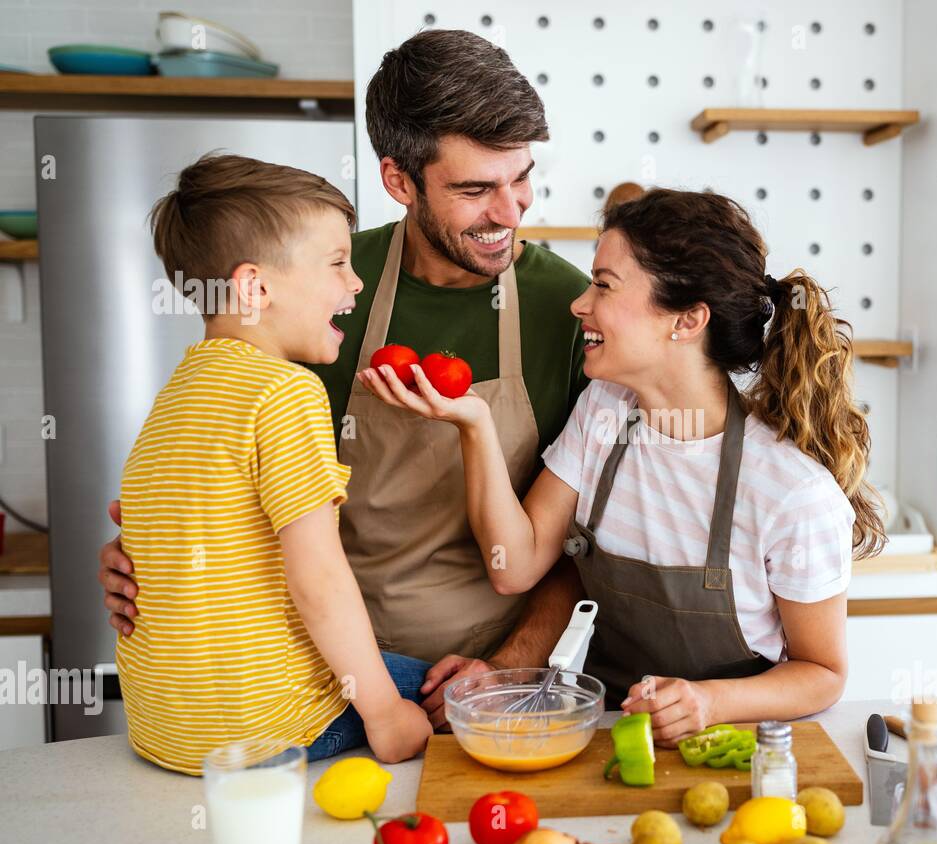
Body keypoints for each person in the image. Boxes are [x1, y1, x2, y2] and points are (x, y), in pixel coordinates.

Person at [97, 29, 592, 728]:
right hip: (308, 679)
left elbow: (592, 548)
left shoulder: (566, 310)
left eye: (522, 178)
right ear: (398, 180)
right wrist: (151, 554)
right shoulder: (317, 286)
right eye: (477, 189)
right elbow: (225, 462)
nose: (512, 213)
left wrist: (511, 666)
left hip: (488, 691)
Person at [361, 188, 885, 743]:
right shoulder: (605, 410)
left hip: (730, 748)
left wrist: (709, 700)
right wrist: (475, 426)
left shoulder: (789, 490)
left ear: (686, 321)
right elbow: (513, 565)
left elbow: (823, 674)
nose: (578, 303)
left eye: (603, 285)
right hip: (605, 734)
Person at [118, 154, 431, 774]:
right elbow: (317, 578)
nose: (355, 283)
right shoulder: (285, 392)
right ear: (255, 287)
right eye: (337, 263)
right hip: (265, 728)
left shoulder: (176, 393)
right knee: (449, 686)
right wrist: (385, 715)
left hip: (165, 730)